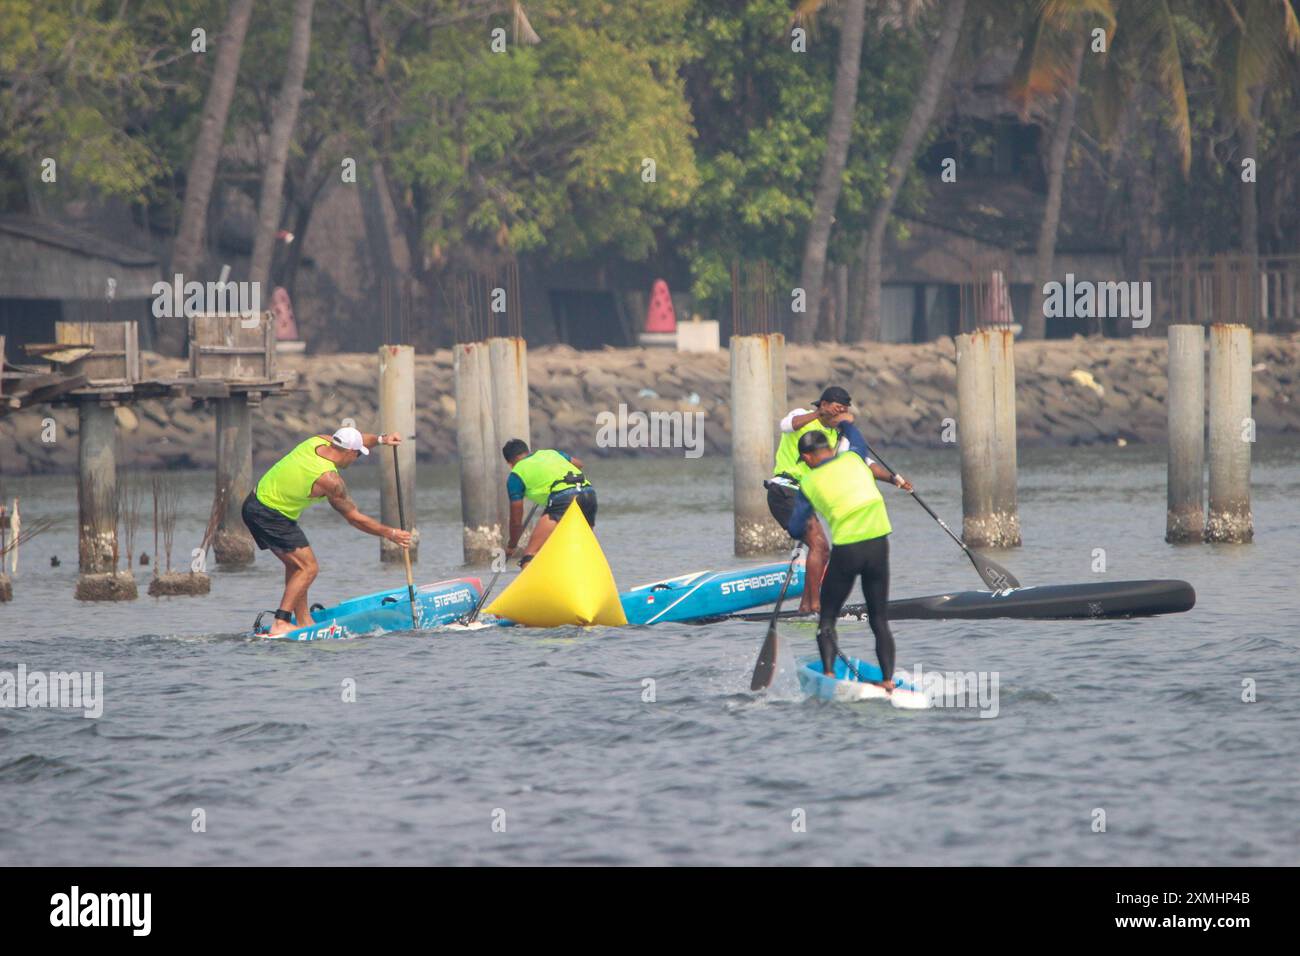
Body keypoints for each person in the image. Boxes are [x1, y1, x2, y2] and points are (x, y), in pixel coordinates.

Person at [242, 426, 412, 636]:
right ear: (349, 452)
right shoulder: (330, 480)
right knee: (308, 568)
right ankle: (281, 621)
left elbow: (358, 441)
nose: (356, 458)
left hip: (257, 503)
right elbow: (354, 518)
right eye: (357, 454)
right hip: (269, 514)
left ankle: (304, 621)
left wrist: (381, 439)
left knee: (297, 566)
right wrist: (391, 533)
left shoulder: (318, 441)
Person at [787, 422, 913, 693]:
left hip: (848, 552)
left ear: (808, 458)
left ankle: (830, 674)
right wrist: (843, 421)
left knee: (828, 619)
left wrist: (803, 522)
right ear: (830, 448)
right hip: (879, 548)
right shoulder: (855, 458)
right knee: (879, 619)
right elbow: (855, 434)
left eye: (804, 460)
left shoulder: (808, 482)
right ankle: (888, 680)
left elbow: (795, 528)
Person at [765, 385, 854, 614]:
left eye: (843, 411)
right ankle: (815, 606)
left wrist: (894, 479)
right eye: (836, 409)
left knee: (823, 550)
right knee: (819, 546)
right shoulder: (800, 417)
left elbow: (845, 464)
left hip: (803, 497)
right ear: (823, 405)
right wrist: (818, 414)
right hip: (784, 490)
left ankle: (807, 607)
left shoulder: (837, 437)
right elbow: (785, 425)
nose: (838, 414)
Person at [501, 439, 596, 566]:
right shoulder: (551, 454)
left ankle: (535, 586)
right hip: (588, 494)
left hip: (563, 498)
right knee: (580, 549)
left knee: (530, 554)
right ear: (528, 452)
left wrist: (512, 545)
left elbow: (516, 520)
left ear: (509, 463)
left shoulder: (515, 476)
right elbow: (579, 464)